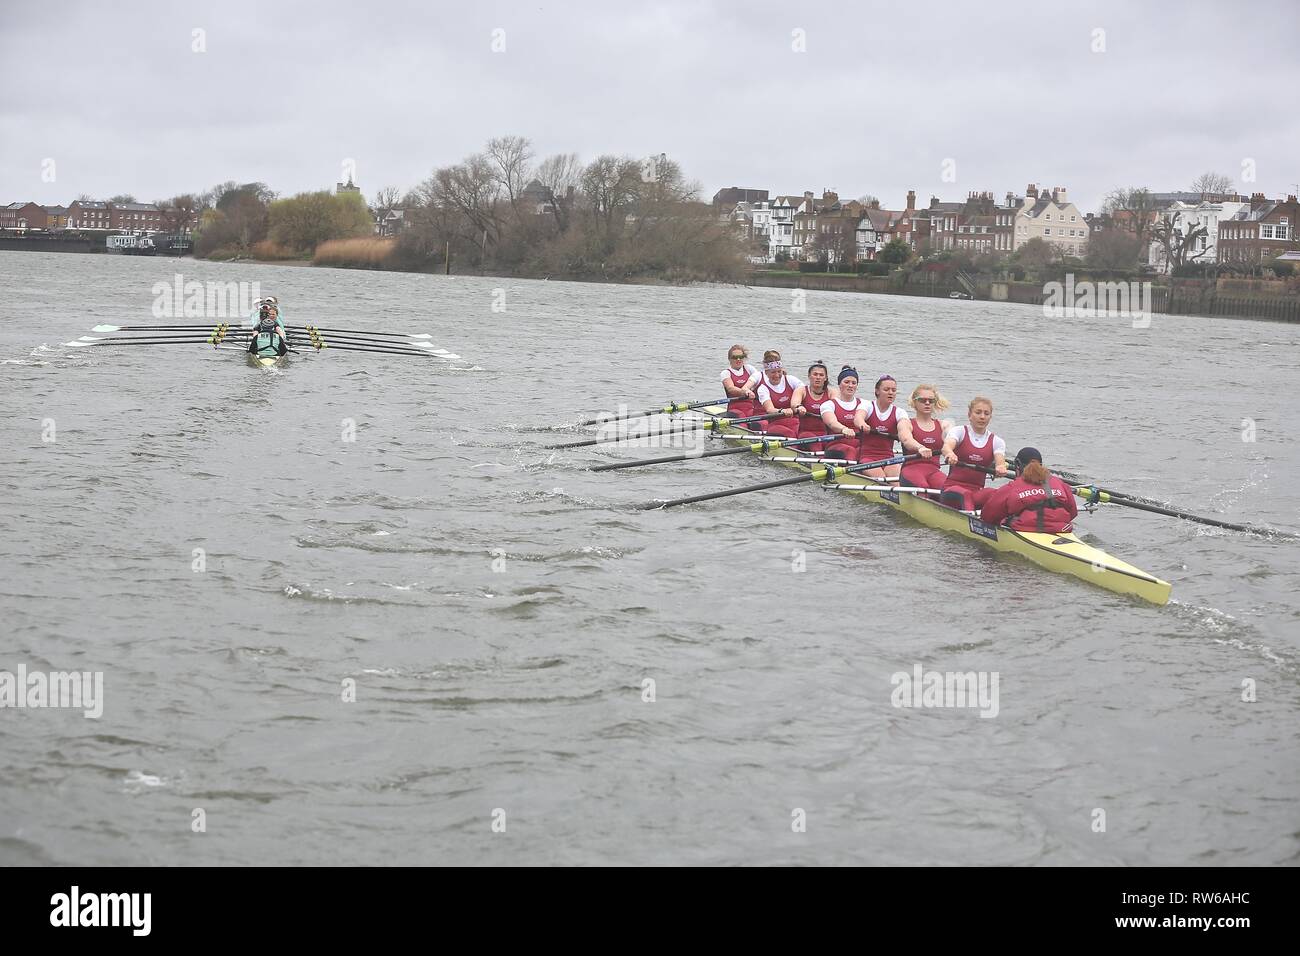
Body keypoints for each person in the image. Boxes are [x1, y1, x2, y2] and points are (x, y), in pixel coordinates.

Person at [980, 447, 1078, 533]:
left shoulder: (1013, 487)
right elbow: (1073, 512)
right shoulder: (1059, 483)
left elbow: (988, 516)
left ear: (1018, 465)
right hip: (1062, 528)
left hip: (1025, 528)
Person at [938, 396, 1007, 510]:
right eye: (978, 412)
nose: (982, 417)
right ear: (970, 415)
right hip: (951, 489)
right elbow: (946, 447)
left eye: (986, 413)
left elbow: (1000, 460)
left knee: (996, 493)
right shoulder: (959, 431)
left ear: (990, 417)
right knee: (965, 494)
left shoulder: (997, 441)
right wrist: (950, 454)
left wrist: (1000, 467)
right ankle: (972, 525)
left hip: (976, 492)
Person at [853, 374, 909, 481]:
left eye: (893, 390)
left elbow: (905, 426)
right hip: (867, 457)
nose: (890, 393)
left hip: (889, 458)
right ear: (877, 391)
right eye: (886, 389)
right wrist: (863, 425)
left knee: (896, 482)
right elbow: (858, 418)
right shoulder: (867, 406)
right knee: (881, 479)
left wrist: (904, 435)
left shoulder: (900, 412)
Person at [898, 384, 953, 492]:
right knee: (923, 488)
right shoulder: (906, 423)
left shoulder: (944, 425)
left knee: (948, 490)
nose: (927, 403)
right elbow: (906, 440)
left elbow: (955, 441)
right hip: (911, 470)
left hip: (934, 471)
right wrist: (920, 447)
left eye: (931, 400)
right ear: (915, 402)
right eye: (922, 400)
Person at [791, 360, 837, 452]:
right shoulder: (801, 391)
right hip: (806, 434)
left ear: (825, 378)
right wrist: (799, 407)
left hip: (826, 434)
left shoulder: (832, 392)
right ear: (809, 376)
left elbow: (838, 407)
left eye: (821, 375)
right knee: (815, 443)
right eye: (815, 374)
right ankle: (819, 461)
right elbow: (794, 404)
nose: (818, 378)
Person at [755, 350, 804, 438]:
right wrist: (782, 411)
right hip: (775, 425)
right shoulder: (763, 388)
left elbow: (805, 391)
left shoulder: (791, 380)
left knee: (804, 434)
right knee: (791, 435)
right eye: (773, 372)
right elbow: (770, 409)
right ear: (766, 373)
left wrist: (799, 406)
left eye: (779, 371)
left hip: (795, 421)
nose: (777, 375)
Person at [820, 366, 865, 460]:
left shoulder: (864, 404)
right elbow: (832, 423)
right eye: (846, 382)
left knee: (867, 450)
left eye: (854, 383)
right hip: (835, 445)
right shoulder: (828, 405)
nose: (850, 385)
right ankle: (853, 473)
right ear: (839, 384)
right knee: (850, 450)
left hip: (858, 444)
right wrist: (844, 429)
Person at [721, 345, 761, 425]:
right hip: (735, 409)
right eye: (735, 357)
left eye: (741, 357)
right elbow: (731, 388)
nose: (738, 359)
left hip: (751, 407)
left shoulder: (749, 369)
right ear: (729, 359)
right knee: (743, 422)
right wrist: (746, 392)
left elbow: (760, 380)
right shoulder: (726, 373)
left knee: (758, 423)